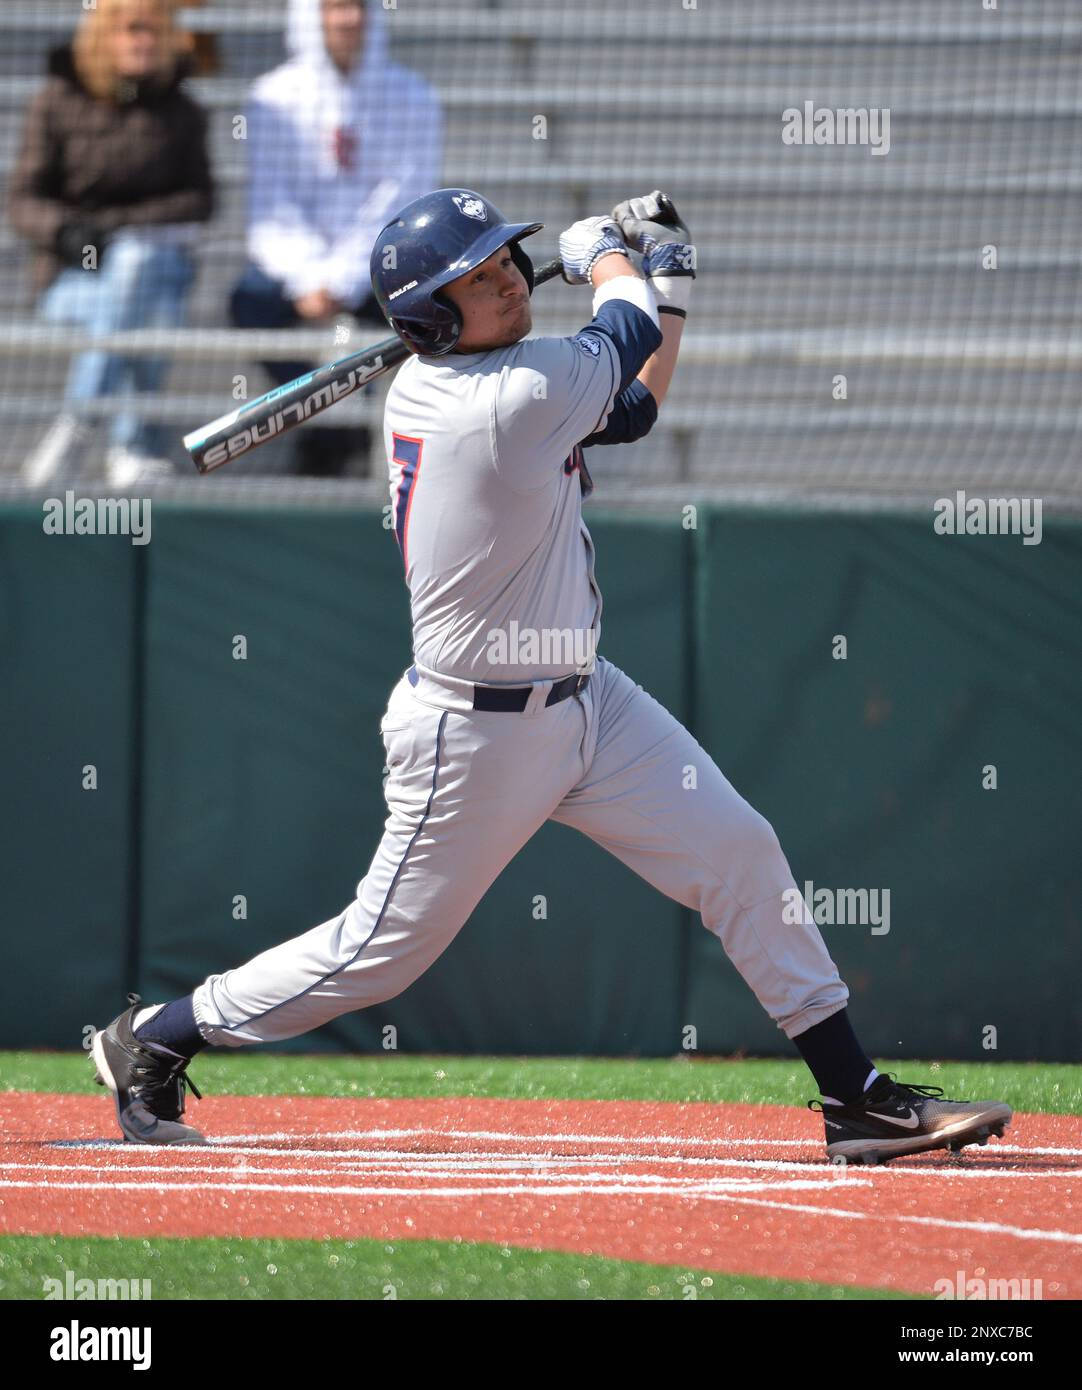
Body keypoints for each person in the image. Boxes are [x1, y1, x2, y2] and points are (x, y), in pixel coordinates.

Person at [90, 187, 1013, 1168]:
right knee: (378, 954)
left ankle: (854, 1097)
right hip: (473, 734)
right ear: (432, 319)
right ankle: (159, 1032)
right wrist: (608, 257)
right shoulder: (501, 399)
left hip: (590, 700)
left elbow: (634, 404)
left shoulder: (495, 381)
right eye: (479, 277)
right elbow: (618, 334)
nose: (506, 281)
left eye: (504, 262)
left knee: (740, 852)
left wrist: (667, 291)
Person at [229, 0, 442, 477]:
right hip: (296, 273)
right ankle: (329, 424)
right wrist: (308, 277)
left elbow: (403, 202)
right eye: (336, 7)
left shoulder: (414, 97)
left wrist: (342, 281)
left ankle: (351, 432)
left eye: (358, 7)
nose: (349, 19)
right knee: (250, 303)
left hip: (379, 265)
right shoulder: (272, 97)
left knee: (421, 310)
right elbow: (270, 202)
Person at [8, 0, 213, 487]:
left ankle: (79, 423)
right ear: (104, 36)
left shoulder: (183, 110)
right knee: (147, 310)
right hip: (72, 278)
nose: (144, 41)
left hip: (155, 263)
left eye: (155, 31)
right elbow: (21, 199)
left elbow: (200, 199)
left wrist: (118, 229)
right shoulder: (57, 100)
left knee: (140, 264)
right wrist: (65, 231)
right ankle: (133, 445)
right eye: (132, 30)